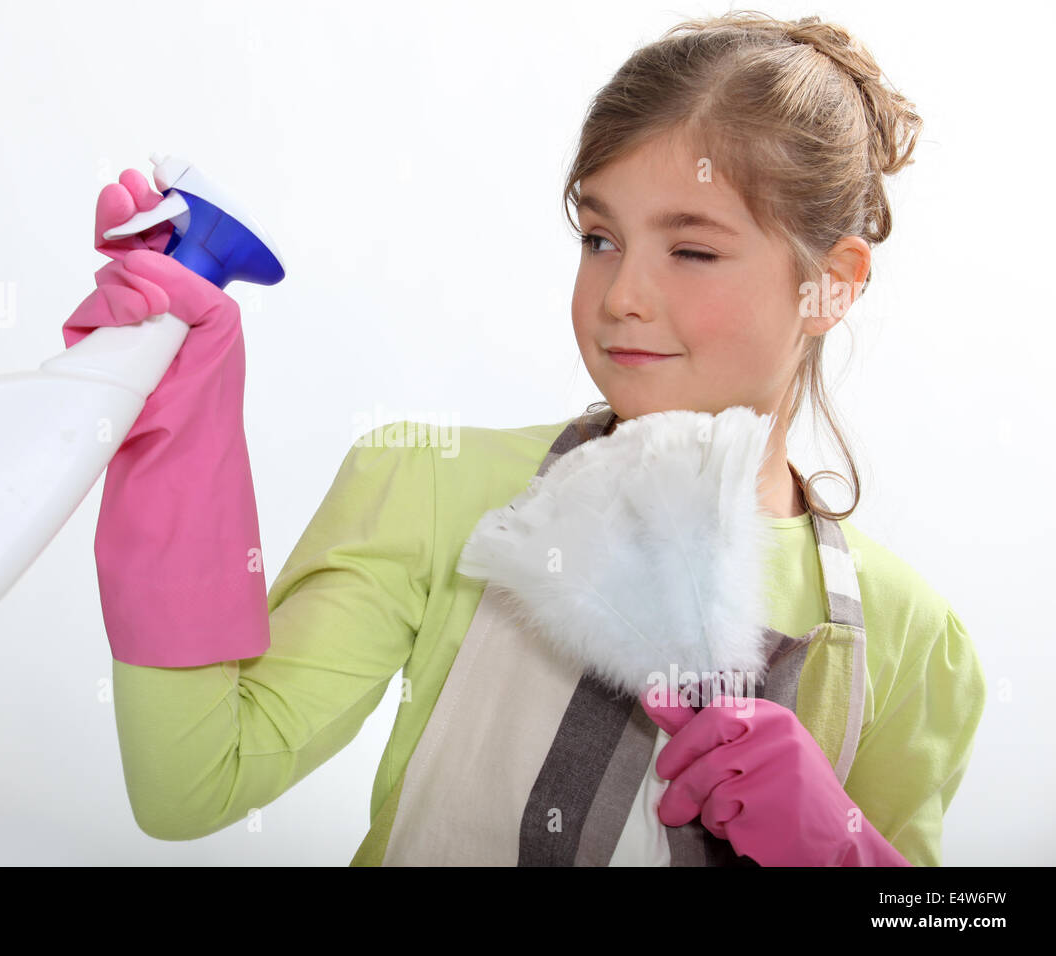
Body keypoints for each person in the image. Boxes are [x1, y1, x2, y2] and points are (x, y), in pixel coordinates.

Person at [67, 10, 985, 866]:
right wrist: (172, 442)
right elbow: (192, 786)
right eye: (599, 237)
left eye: (692, 249)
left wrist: (847, 849)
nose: (621, 294)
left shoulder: (914, 638)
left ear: (831, 282)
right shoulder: (431, 489)